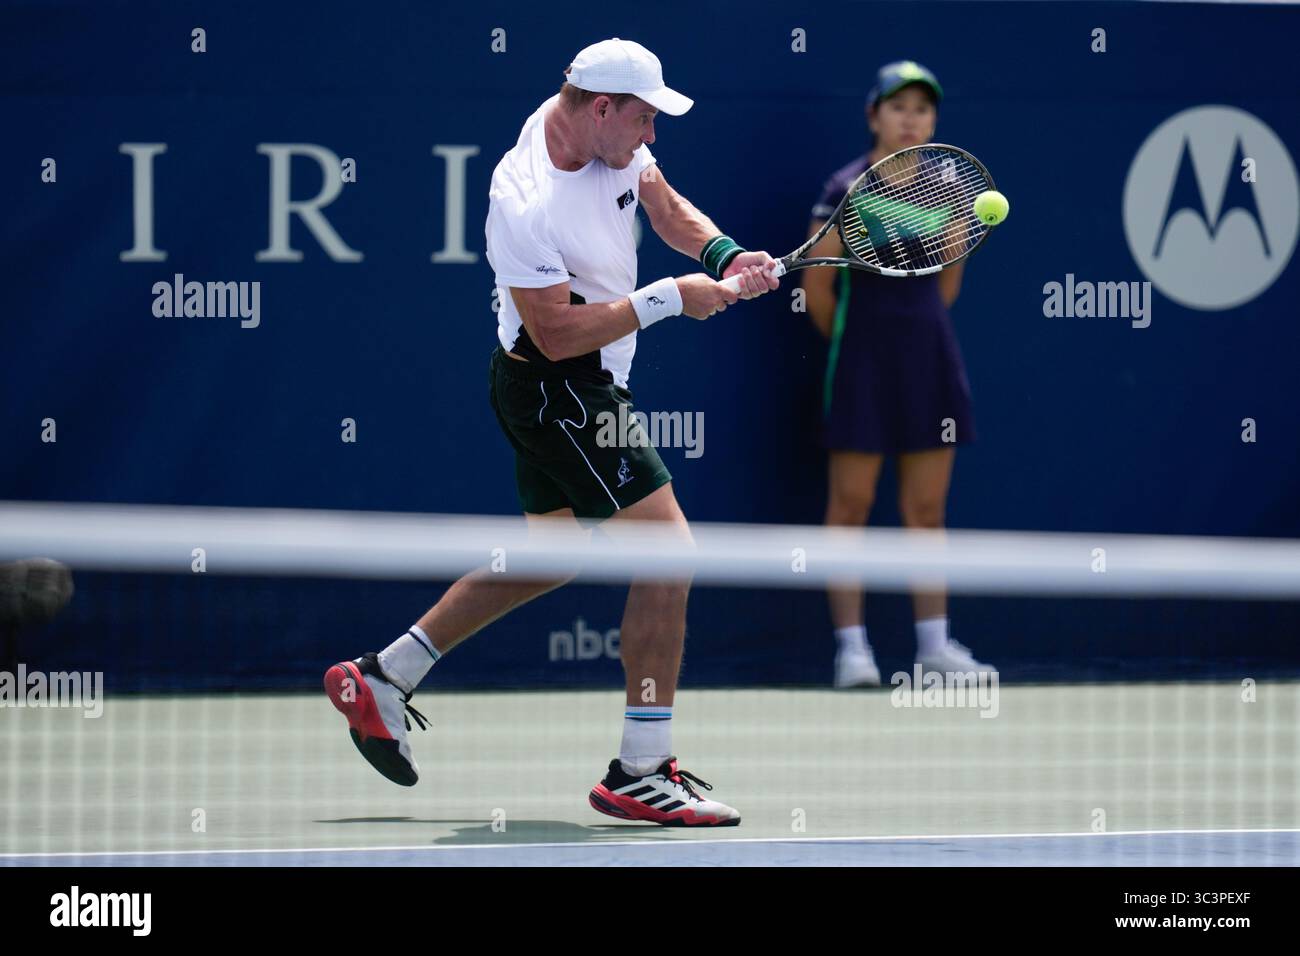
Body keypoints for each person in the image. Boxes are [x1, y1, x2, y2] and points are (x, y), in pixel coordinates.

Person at [325, 38, 780, 826]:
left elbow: (663, 199)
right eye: (645, 117)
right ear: (601, 107)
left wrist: (725, 255)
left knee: (556, 557)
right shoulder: (523, 197)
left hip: (562, 383)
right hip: (559, 387)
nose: (653, 134)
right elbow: (558, 334)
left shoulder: (603, 135)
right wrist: (672, 296)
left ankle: (386, 675)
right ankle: (641, 768)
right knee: (671, 556)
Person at [801, 61, 996, 689]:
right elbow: (818, 287)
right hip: (860, 363)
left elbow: (949, 284)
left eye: (922, 108)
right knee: (850, 505)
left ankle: (934, 647)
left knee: (927, 509)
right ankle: (852, 652)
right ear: (874, 116)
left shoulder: (952, 190)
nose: (912, 118)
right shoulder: (844, 188)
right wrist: (860, 346)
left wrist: (909, 340)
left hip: (930, 360)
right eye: (899, 107)